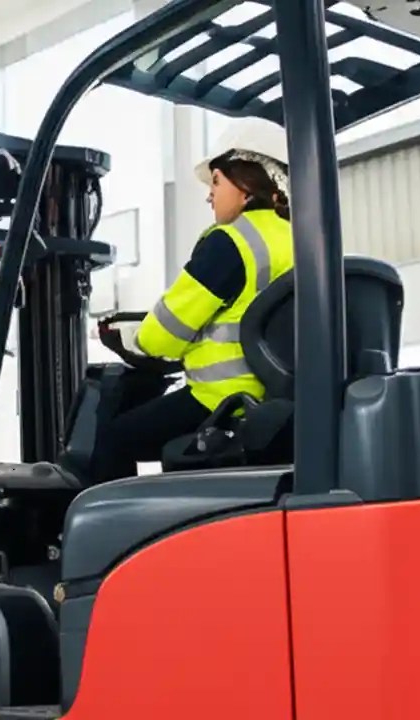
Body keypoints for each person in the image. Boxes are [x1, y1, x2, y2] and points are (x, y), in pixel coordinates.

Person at [92, 117, 296, 481]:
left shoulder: (231, 242)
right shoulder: (305, 239)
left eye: (216, 181)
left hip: (226, 401)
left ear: (247, 184)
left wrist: (135, 338)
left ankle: (98, 519)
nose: (209, 195)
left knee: (113, 438)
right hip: (286, 404)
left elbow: (163, 336)